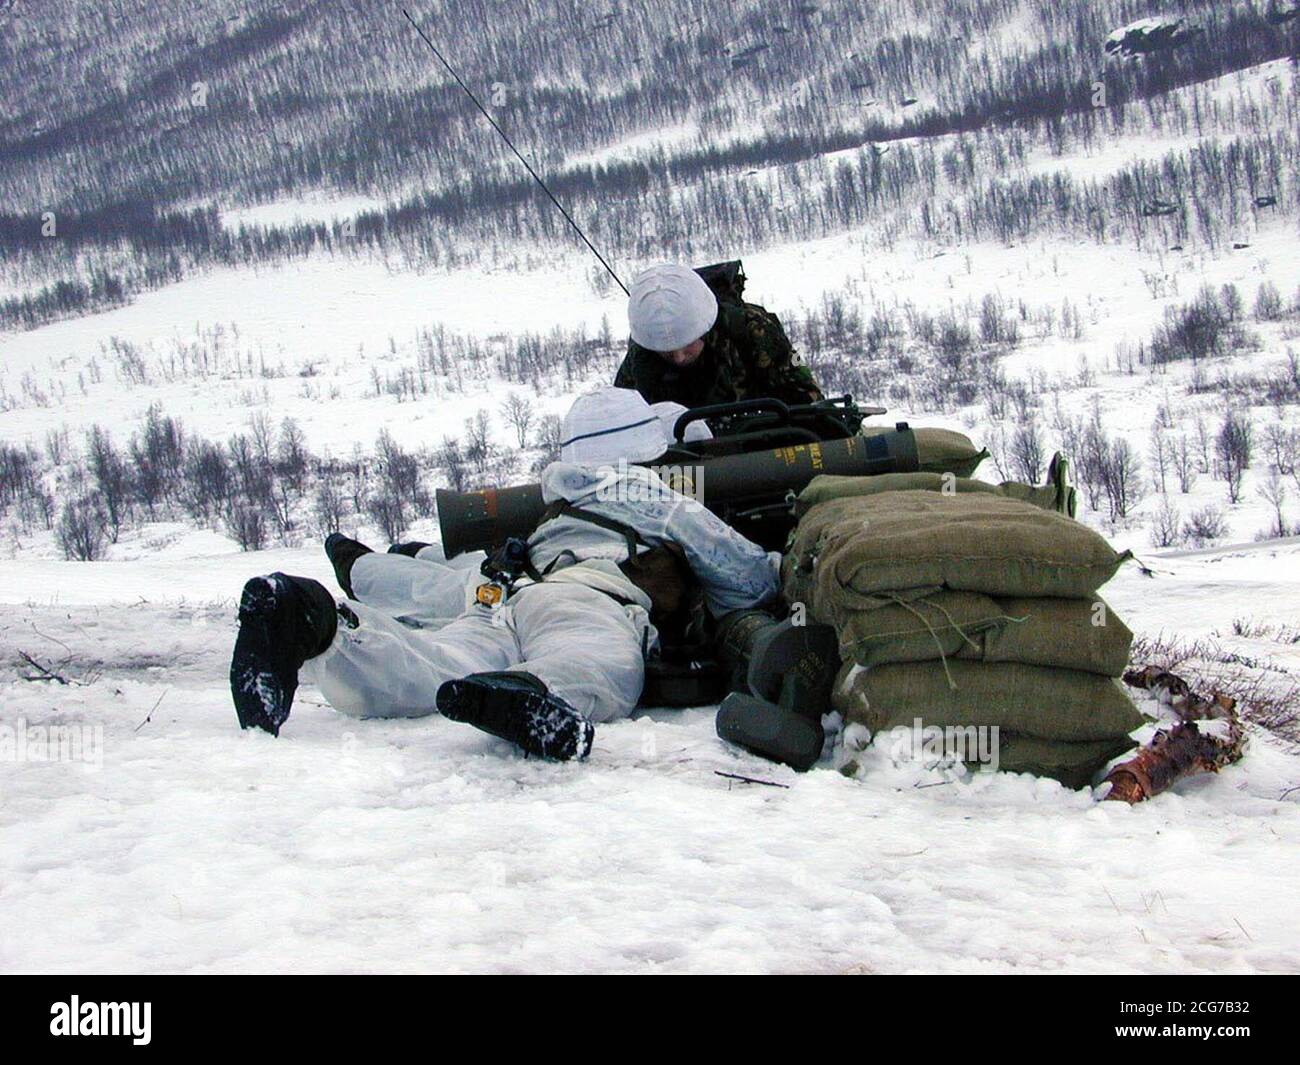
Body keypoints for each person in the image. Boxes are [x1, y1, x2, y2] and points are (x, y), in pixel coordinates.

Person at [228, 388, 798, 761]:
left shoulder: (560, 499)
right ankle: (538, 695)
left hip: (503, 596)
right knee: (602, 663)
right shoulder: (658, 498)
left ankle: (323, 625)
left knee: (439, 662)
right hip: (588, 599)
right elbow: (746, 578)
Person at [613, 264, 824, 419]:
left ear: (705, 332)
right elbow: (621, 420)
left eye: (688, 346)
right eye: (667, 353)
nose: (679, 358)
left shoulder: (752, 331)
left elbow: (808, 396)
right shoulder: (641, 358)